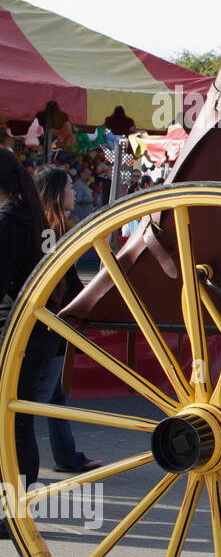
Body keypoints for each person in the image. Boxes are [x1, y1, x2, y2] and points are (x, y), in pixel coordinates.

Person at [31, 167, 102, 474]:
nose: (76, 193)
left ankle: (67, 455)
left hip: (52, 325)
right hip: (47, 326)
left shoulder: (53, 227)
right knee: (40, 399)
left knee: (56, 395)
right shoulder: (49, 230)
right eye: (70, 187)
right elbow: (55, 278)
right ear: (57, 192)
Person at [0, 149, 47, 536]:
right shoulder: (34, 215)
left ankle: (12, 510)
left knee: (11, 424)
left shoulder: (10, 220)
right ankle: (18, 505)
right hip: (41, 331)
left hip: (18, 332)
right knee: (20, 422)